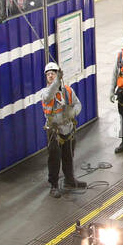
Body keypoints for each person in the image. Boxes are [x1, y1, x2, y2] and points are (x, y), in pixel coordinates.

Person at [41, 61, 84, 198]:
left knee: (68, 155)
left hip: (68, 129)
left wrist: (73, 113)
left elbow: (78, 104)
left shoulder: (68, 91)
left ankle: (69, 180)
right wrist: (57, 80)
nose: (51, 76)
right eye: (48, 74)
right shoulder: (46, 93)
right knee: (54, 159)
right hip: (54, 131)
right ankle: (54, 185)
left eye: (53, 73)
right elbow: (50, 94)